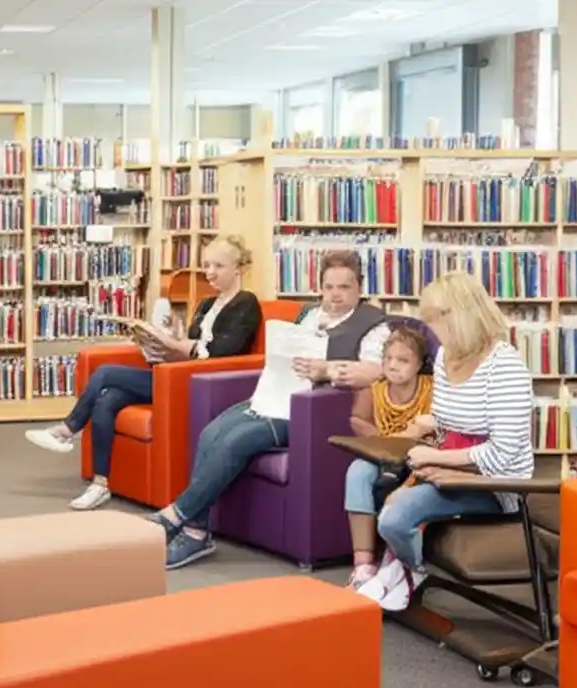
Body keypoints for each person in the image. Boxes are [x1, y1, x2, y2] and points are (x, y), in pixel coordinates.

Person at [149, 249, 391, 570]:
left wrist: (328, 369)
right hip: (277, 393)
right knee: (211, 432)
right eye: (328, 287)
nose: (335, 295)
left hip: (314, 409)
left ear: (359, 288)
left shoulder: (374, 325)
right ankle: (197, 531)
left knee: (238, 440)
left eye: (344, 287)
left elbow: (376, 371)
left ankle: (176, 516)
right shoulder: (309, 315)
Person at [24, 237, 263, 510]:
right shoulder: (207, 305)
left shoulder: (245, 303)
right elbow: (192, 345)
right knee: (107, 399)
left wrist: (174, 344)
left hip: (196, 383)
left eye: (218, 266)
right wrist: (159, 342)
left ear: (238, 268)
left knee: (105, 373)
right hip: (176, 373)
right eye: (206, 265)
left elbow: (222, 352)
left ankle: (67, 429)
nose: (209, 272)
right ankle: (100, 484)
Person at [356, 271, 534, 611]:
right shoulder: (445, 357)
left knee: (394, 517)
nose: (430, 330)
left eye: (434, 320)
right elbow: (448, 421)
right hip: (450, 465)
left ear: (459, 318)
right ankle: (397, 570)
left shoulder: (504, 367)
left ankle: (411, 572)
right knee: (376, 484)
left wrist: (439, 461)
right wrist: (427, 432)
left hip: (496, 484)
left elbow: (503, 454)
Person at [341, 325, 435, 590]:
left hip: (422, 457)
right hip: (382, 455)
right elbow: (358, 420)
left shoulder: (433, 389)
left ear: (419, 364)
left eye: (403, 360)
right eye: (388, 359)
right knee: (357, 471)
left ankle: (395, 563)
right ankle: (363, 564)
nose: (393, 365)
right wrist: (384, 439)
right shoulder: (373, 390)